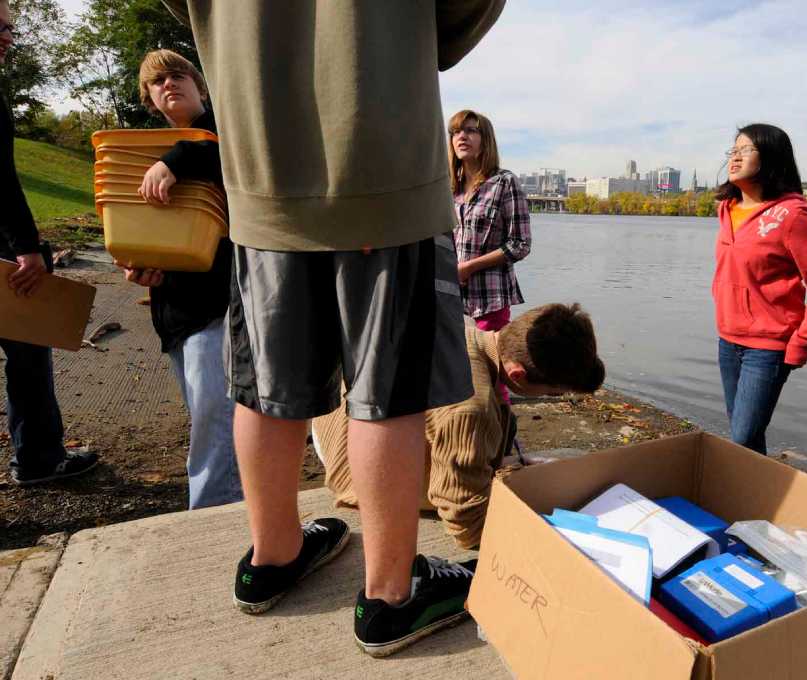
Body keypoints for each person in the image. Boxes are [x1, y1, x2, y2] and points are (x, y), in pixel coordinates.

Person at [160, 0, 505, 658]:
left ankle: (273, 556)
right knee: (388, 388)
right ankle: (390, 596)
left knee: (265, 383)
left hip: (262, 165)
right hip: (382, 164)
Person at [313, 303, 605, 550]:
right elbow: (466, 524)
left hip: (335, 423)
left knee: (505, 432)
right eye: (552, 393)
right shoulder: (472, 407)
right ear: (518, 374)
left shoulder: (463, 332)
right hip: (353, 473)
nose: (551, 397)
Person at [117, 49, 241, 510]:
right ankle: (236, 508)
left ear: (199, 85)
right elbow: (141, 230)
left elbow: (224, 151)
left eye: (178, 75)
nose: (169, 84)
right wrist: (138, 266)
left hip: (222, 300)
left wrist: (176, 159)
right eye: (157, 82)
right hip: (174, 307)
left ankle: (210, 515)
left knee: (215, 417)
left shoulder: (221, 130)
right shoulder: (147, 155)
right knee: (207, 417)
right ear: (150, 100)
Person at [1, 0, 99, 486]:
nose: (7, 38)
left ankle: (38, 456)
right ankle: (38, 459)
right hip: (6, 258)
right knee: (28, 348)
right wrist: (27, 247)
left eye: (8, 28)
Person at [713, 123, 807, 454]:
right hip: (728, 341)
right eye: (733, 150)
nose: (735, 157)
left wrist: (804, 340)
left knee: (743, 437)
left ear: (772, 157)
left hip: (769, 346)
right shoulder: (726, 210)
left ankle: (753, 498)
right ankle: (756, 501)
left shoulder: (792, 215)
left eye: (746, 150)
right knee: (744, 435)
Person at [448, 110, 531, 337]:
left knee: (487, 368)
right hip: (449, 297)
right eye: (455, 132)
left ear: (486, 140)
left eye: (470, 130)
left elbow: (520, 244)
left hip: (489, 300)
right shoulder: (447, 188)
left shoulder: (504, 183)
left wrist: (468, 268)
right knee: (452, 369)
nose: (461, 136)